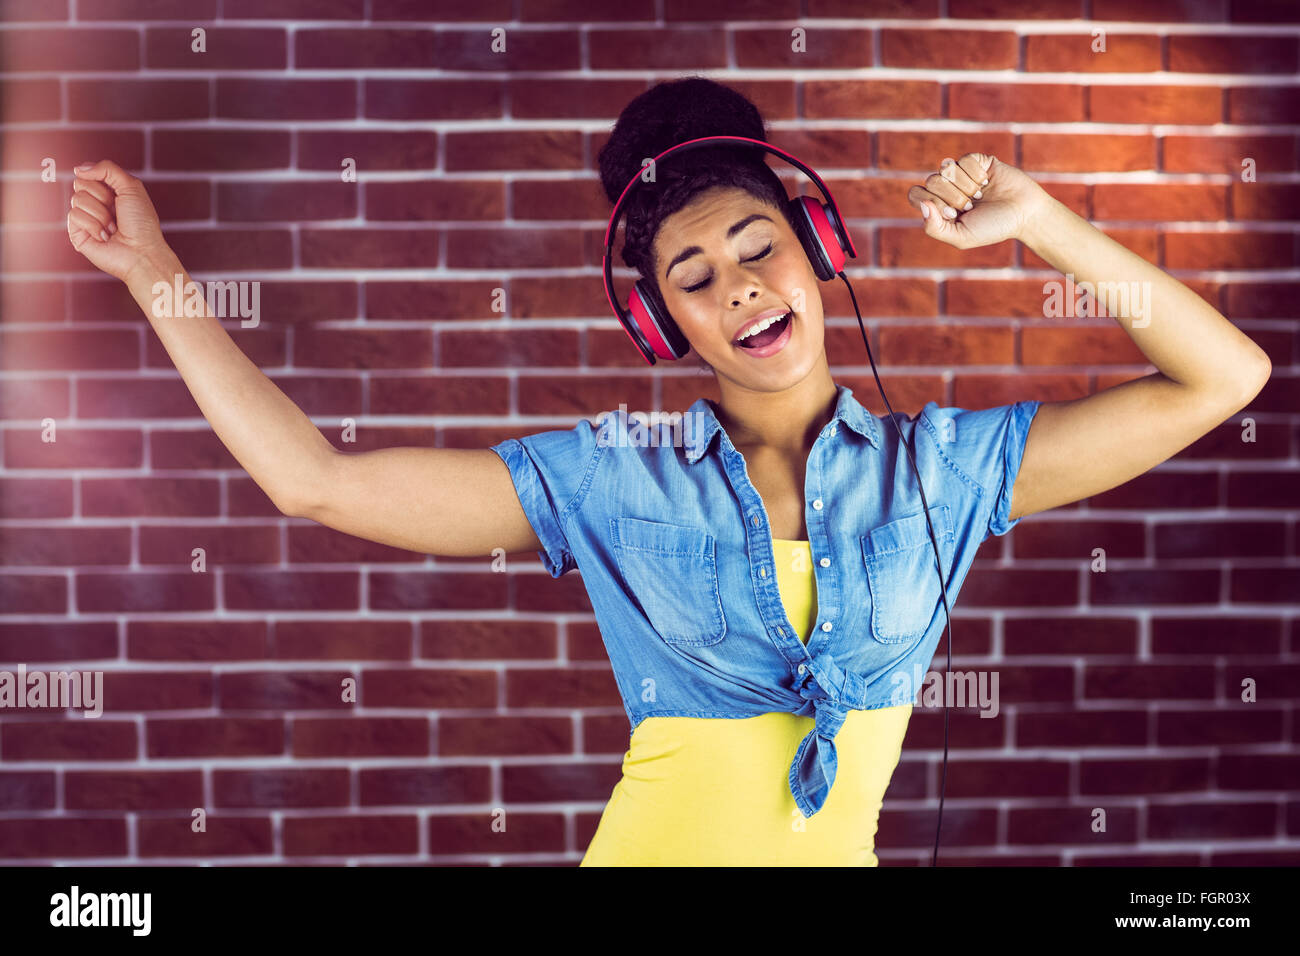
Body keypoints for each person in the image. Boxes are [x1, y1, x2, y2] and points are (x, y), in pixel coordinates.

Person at [67, 77, 1271, 867]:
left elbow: (1223, 377)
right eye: (695, 277)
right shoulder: (613, 480)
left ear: (820, 255)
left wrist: (1042, 221)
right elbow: (312, 480)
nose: (739, 285)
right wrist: (154, 269)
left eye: (760, 248)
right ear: (664, 328)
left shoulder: (941, 473)